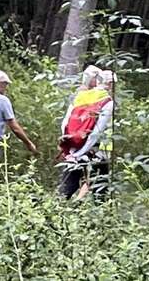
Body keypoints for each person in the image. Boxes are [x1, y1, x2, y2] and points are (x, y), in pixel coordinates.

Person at [58, 67, 115, 200]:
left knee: (67, 187)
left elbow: (65, 124)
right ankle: (87, 209)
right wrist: (81, 152)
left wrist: (69, 148)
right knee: (99, 188)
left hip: (75, 148)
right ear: (110, 84)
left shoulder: (80, 97)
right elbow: (97, 132)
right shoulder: (107, 102)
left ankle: (59, 207)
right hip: (96, 151)